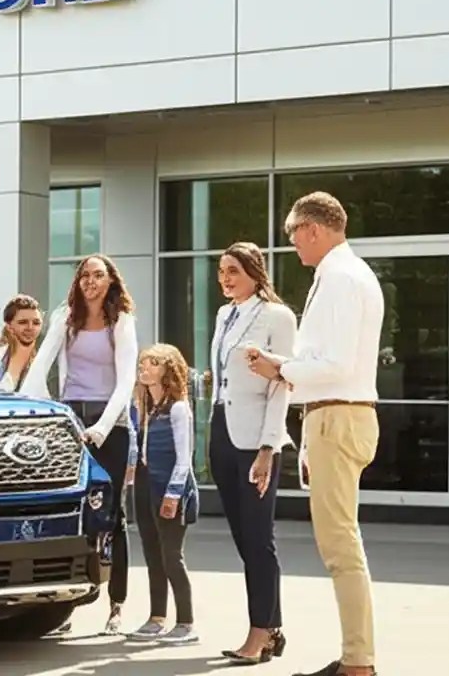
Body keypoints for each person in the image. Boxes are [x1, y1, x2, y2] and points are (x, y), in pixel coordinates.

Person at [246, 192, 384, 676]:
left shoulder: (342, 278)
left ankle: (358, 663)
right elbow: (332, 363)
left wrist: (280, 368)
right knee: (341, 543)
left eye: (294, 235)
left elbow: (336, 364)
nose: (293, 244)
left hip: (338, 417)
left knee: (340, 546)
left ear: (314, 229)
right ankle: (356, 658)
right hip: (336, 417)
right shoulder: (345, 275)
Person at [32, 254, 139, 635]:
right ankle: (65, 605)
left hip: (110, 424)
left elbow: (126, 381)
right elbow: (40, 365)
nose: (90, 281)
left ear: (111, 281)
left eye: (98, 275)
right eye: (84, 276)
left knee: (112, 515)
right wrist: (46, 410)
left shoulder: (121, 321)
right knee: (70, 513)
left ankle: (116, 605)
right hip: (72, 417)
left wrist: (102, 427)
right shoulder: (65, 317)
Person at [208, 242, 297, 666]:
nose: (225, 278)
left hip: (256, 440)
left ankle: (259, 633)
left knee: (259, 538)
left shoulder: (277, 316)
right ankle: (271, 628)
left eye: (234, 271)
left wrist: (268, 447)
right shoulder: (224, 315)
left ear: (254, 273)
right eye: (222, 271)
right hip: (222, 431)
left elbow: (282, 386)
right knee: (244, 538)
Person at [125, 343, 199, 645]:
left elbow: (184, 458)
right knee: (152, 554)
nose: (145, 368)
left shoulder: (178, 409)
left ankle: (186, 622)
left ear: (169, 370)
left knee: (171, 556)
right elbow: (137, 448)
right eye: (143, 363)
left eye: (153, 363)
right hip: (145, 484)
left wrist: (173, 494)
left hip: (170, 486)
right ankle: (157, 618)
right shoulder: (143, 408)